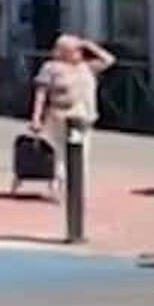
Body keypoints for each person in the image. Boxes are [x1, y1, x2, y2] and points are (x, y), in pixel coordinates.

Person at [29, 35, 115, 198]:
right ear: (64, 52)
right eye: (75, 49)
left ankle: (77, 189)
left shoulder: (86, 67)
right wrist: (36, 118)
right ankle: (59, 186)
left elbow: (109, 60)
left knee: (82, 153)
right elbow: (41, 93)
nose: (79, 53)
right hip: (60, 115)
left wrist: (89, 45)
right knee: (61, 153)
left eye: (79, 50)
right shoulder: (51, 67)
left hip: (84, 117)